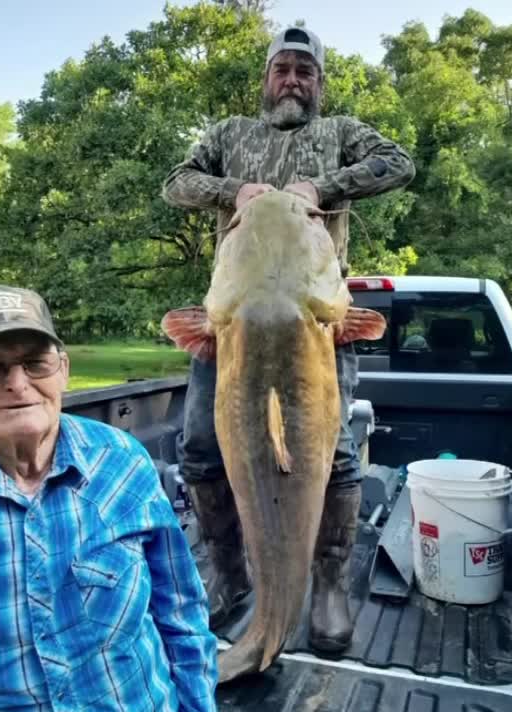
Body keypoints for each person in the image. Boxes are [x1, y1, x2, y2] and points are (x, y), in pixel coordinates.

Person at [162, 26, 415, 652]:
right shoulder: (229, 135)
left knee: (337, 458)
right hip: (232, 324)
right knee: (198, 448)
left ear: (320, 83)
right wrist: (232, 191)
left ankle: (328, 586)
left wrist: (320, 189)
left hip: (317, 322)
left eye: (306, 70)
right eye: (283, 68)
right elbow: (176, 184)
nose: (294, 79)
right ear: (266, 78)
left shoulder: (340, 134)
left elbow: (400, 163)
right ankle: (229, 574)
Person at [0, 285, 217, 712]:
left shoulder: (121, 463)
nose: (18, 384)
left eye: (35, 363)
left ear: (63, 369)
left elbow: (182, 613)